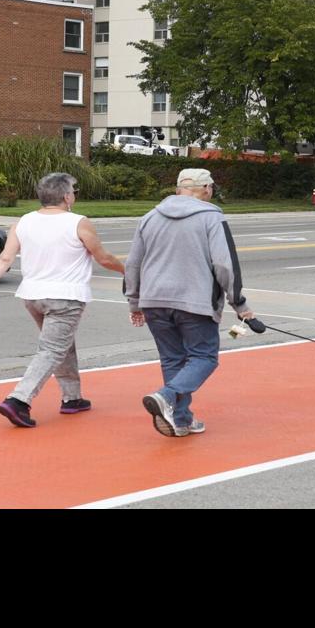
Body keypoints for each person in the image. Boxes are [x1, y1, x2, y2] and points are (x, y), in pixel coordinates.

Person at [0, 172, 126, 428]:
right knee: (51, 350)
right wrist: (129, 271)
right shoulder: (78, 222)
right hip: (65, 297)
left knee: (61, 345)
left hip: (32, 296)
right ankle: (19, 400)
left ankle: (72, 398)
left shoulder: (23, 222)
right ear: (67, 196)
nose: (75, 196)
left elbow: (4, 259)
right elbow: (103, 257)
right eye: (75, 192)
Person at [123, 168, 259, 437]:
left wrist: (134, 302)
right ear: (206, 189)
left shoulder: (150, 217)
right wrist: (239, 304)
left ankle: (181, 419)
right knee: (204, 357)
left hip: (154, 300)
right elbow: (225, 265)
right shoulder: (212, 217)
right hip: (195, 302)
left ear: (178, 189)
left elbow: (133, 263)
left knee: (172, 359)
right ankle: (167, 396)